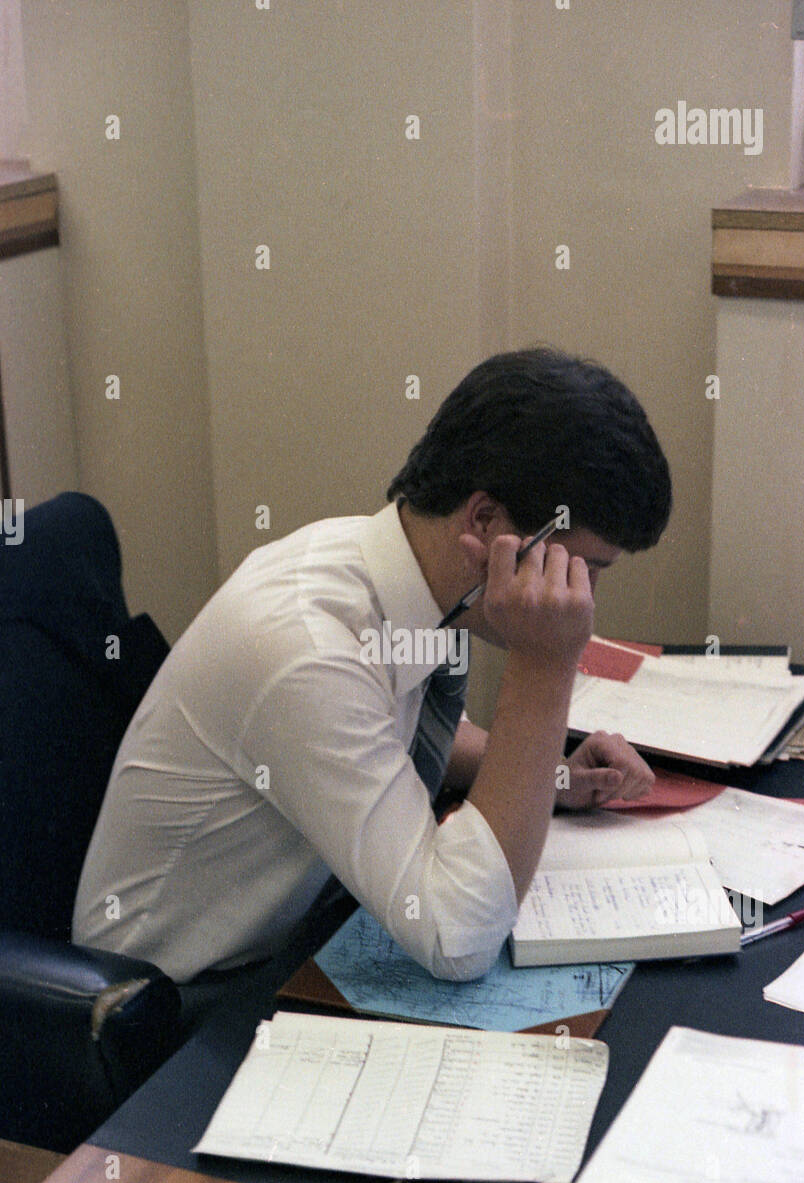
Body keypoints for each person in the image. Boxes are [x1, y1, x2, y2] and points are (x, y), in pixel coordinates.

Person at [73, 347, 671, 984]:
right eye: (582, 568)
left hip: (300, 935)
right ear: (487, 520)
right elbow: (457, 936)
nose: (586, 602)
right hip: (170, 1011)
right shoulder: (307, 651)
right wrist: (545, 665)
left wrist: (553, 779)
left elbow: (392, 733)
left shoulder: (409, 578)